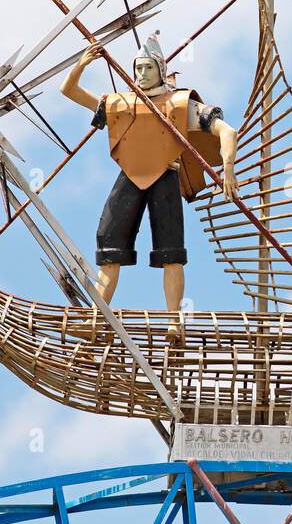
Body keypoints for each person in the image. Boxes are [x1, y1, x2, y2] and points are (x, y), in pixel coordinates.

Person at [59, 31, 238, 344]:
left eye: (148, 68)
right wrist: (81, 63)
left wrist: (228, 168)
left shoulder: (180, 104)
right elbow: (69, 90)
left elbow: (226, 131)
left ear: (160, 68)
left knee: (171, 253)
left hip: (165, 177)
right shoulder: (119, 104)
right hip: (130, 175)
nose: (141, 74)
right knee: (110, 250)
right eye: (137, 68)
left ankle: (173, 323)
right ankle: (97, 316)